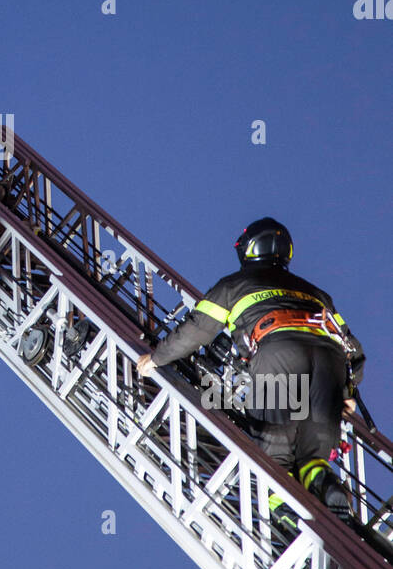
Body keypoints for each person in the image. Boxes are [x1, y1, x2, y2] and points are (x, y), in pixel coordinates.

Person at [137, 218, 364, 528]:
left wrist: (156, 357)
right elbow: (354, 350)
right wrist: (348, 393)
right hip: (330, 366)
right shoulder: (317, 294)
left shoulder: (232, 286)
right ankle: (325, 484)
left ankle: (284, 517)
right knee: (313, 456)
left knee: (276, 456)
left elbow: (197, 331)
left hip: (279, 357)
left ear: (248, 250)